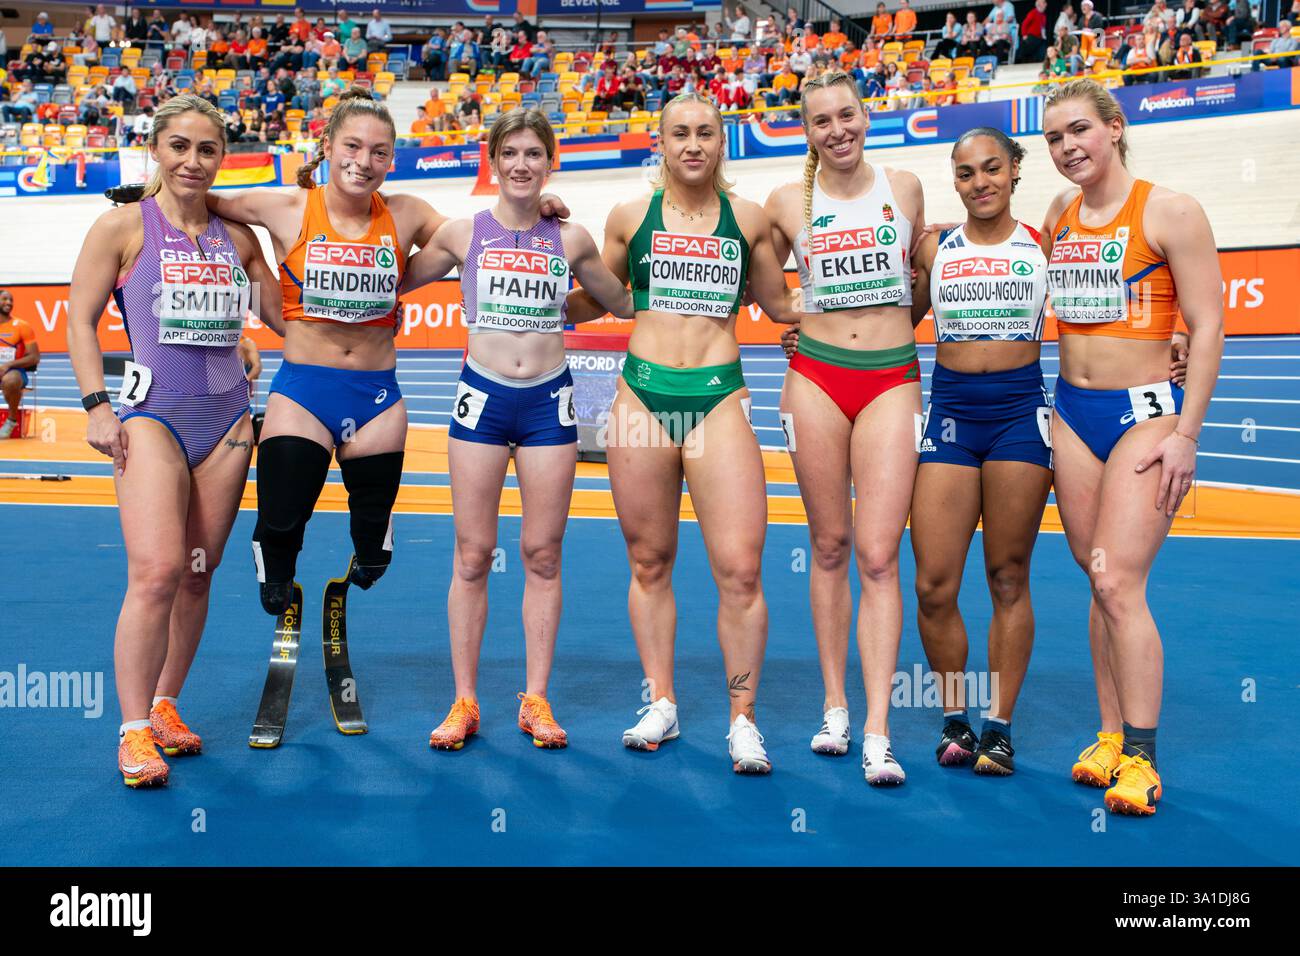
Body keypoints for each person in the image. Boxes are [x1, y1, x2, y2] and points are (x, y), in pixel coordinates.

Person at [567, 93, 808, 774]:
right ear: (662, 142)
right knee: (649, 562)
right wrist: (546, 259)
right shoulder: (627, 217)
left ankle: (742, 717)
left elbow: (778, 301)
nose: (694, 144)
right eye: (681, 133)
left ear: (722, 141)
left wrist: (849, 304)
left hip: (716, 397)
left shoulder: (749, 219)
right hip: (641, 395)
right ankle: (662, 702)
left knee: (739, 569)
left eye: (706, 132)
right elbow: (596, 296)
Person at [66, 95, 281, 788]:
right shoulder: (122, 227)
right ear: (156, 148)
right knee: (156, 571)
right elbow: (79, 320)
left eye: (208, 149)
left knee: (195, 572)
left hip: (227, 422)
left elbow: (284, 315)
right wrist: (98, 407)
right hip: (152, 414)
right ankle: (130, 732)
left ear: (224, 157)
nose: (193, 161)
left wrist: (249, 332)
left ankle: (164, 706)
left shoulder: (236, 238)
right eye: (180, 146)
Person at [401, 110, 634, 751]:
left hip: (549, 404)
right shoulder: (459, 234)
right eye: (511, 153)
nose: (523, 165)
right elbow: (388, 279)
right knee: (473, 554)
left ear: (549, 162)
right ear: (494, 161)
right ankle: (465, 700)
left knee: (542, 553)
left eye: (535, 154)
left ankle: (535, 698)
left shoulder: (574, 239)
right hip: (482, 399)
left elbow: (622, 303)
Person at [1041, 79, 1223, 816]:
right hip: (1074, 412)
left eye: (1079, 130)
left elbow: (1207, 325)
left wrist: (1187, 435)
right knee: (1097, 574)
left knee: (1121, 585)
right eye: (1054, 138)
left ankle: (1144, 760)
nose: (1067, 148)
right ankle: (1111, 734)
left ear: (1115, 128)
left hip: (1145, 415)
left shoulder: (1171, 210)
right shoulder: (1058, 212)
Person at [765, 71, 926, 785]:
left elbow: (924, 285)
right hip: (816, 381)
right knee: (827, 545)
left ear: (866, 115)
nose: (837, 130)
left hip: (892, 378)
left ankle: (878, 730)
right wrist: (794, 327)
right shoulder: (780, 202)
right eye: (821, 120)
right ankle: (833, 708)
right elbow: (759, 284)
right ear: (807, 131)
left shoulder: (908, 186)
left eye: (847, 115)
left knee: (879, 554)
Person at [905, 128, 1053, 775]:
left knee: (1007, 576)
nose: (980, 182)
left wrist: (1172, 345)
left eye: (992, 168)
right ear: (955, 181)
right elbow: (888, 318)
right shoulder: (936, 247)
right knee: (935, 585)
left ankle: (999, 726)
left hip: (1020, 414)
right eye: (966, 173)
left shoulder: (1043, 245)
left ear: (1016, 170)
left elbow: (1099, 319)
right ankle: (956, 718)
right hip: (953, 417)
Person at [0, 291, 39, 440]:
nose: (9, 302)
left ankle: (11, 421)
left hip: (14, 371)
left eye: (11, 300)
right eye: (4, 299)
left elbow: (34, 357)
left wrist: (6, 365)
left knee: (10, 381)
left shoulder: (22, 326)